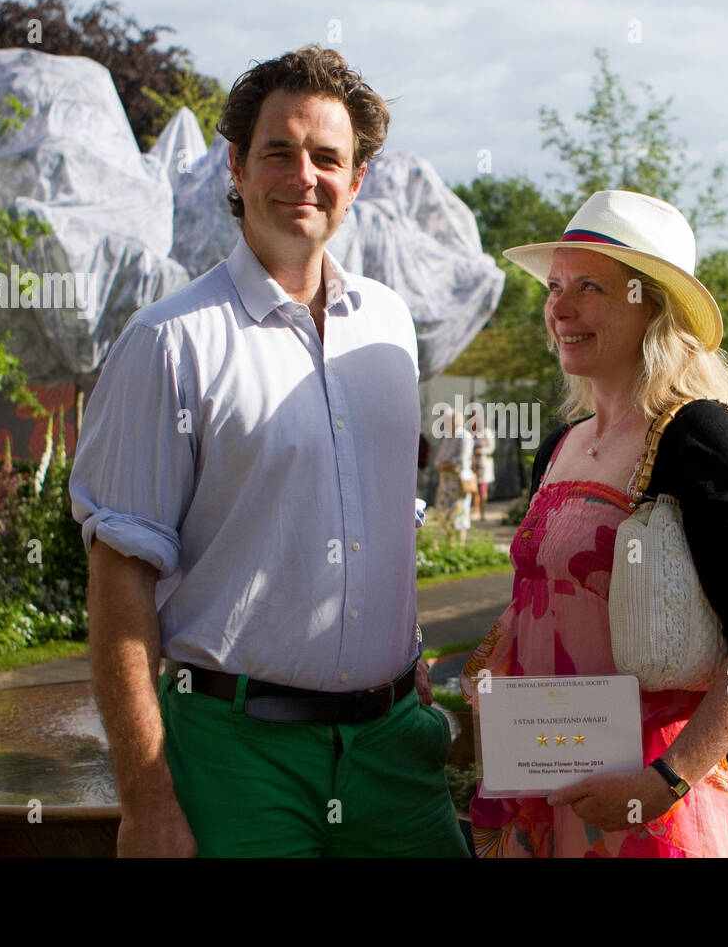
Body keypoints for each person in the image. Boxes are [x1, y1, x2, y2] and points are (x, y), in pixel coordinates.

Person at [69, 46, 467, 858]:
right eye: (279, 151)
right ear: (238, 168)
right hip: (234, 756)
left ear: (357, 182)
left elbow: (380, 519)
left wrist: (403, 646)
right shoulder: (169, 342)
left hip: (393, 748)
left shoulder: (390, 329)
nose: (304, 175)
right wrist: (147, 802)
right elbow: (118, 581)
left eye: (328, 157)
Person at [459, 190, 728, 858]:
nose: (558, 308)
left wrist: (665, 781)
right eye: (555, 286)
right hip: (549, 776)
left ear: (651, 304)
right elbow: (550, 595)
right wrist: (493, 655)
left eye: (589, 287)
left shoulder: (700, 434)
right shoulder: (563, 442)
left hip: (654, 807)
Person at [434, 409, 475, 546]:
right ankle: (448, 544)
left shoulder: (464, 436)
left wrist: (447, 465)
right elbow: (439, 458)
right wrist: (440, 465)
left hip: (458, 481)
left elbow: (463, 459)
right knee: (445, 513)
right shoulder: (448, 436)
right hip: (445, 481)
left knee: (459, 512)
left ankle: (459, 546)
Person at [470, 408, 496, 521]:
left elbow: (491, 448)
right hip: (474, 464)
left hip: (484, 463)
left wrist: (480, 451)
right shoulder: (473, 434)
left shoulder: (487, 433)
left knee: (483, 489)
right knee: (474, 488)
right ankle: (475, 511)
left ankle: (483, 512)